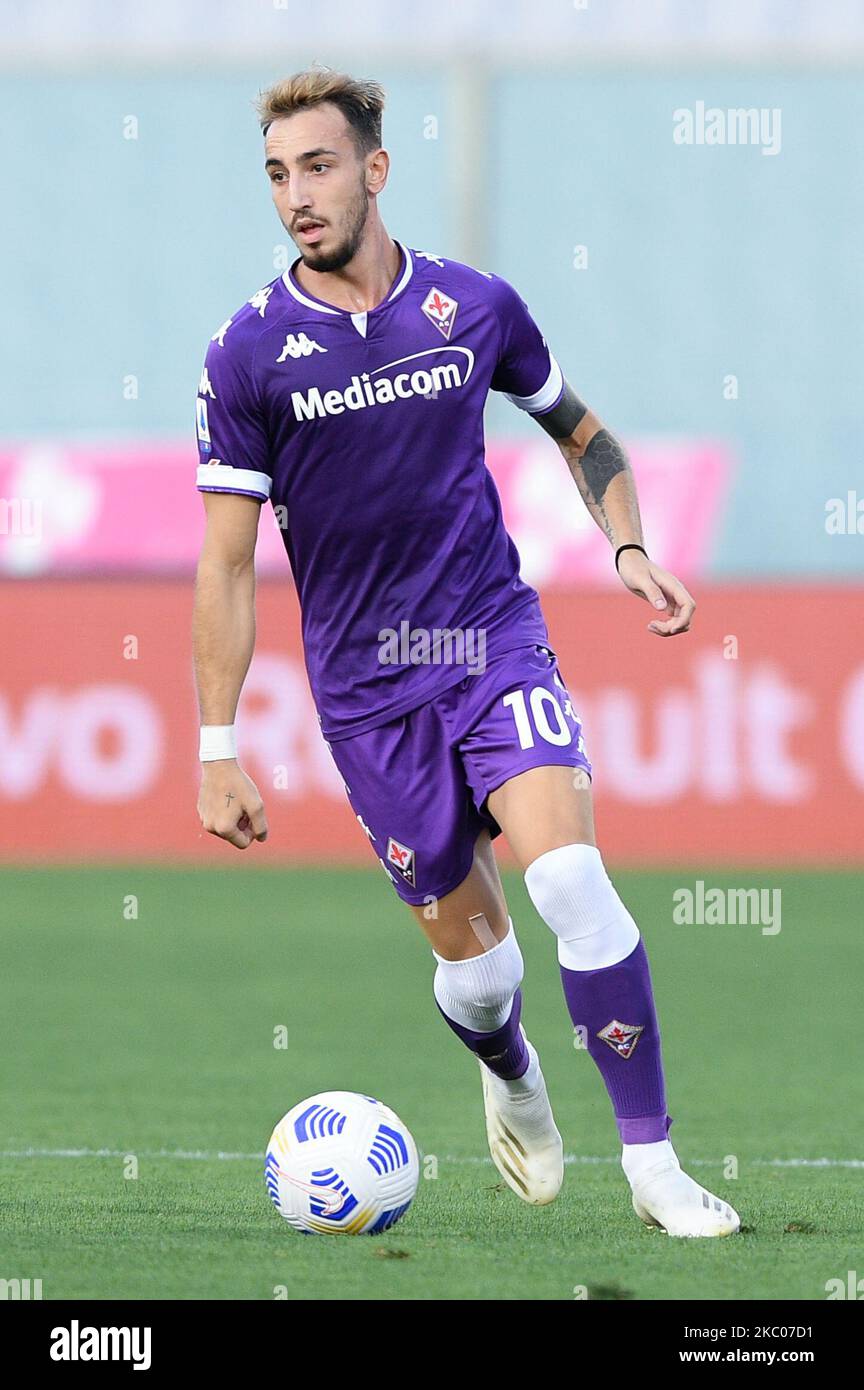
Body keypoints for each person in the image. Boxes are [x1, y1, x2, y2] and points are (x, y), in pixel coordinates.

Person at [193, 67, 739, 1238]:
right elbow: (228, 565)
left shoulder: (473, 306)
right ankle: (512, 1070)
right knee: (483, 976)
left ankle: (655, 1167)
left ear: (376, 169)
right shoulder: (246, 354)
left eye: (319, 166)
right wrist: (216, 744)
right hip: (367, 695)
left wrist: (628, 544)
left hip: (490, 641)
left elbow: (579, 431)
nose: (297, 195)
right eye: (278, 174)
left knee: (570, 880)